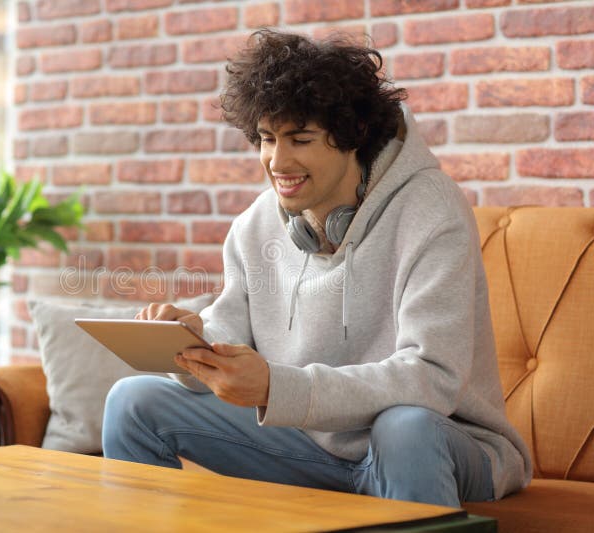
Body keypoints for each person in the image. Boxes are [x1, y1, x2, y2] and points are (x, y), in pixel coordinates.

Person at [101, 29, 531, 507]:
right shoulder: (256, 223)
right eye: (266, 139)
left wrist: (279, 386)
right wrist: (196, 342)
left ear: (353, 137)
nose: (277, 161)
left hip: (437, 443)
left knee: (403, 426)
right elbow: (234, 330)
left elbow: (432, 378)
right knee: (133, 401)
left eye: (300, 139)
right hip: (309, 443)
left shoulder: (431, 211)